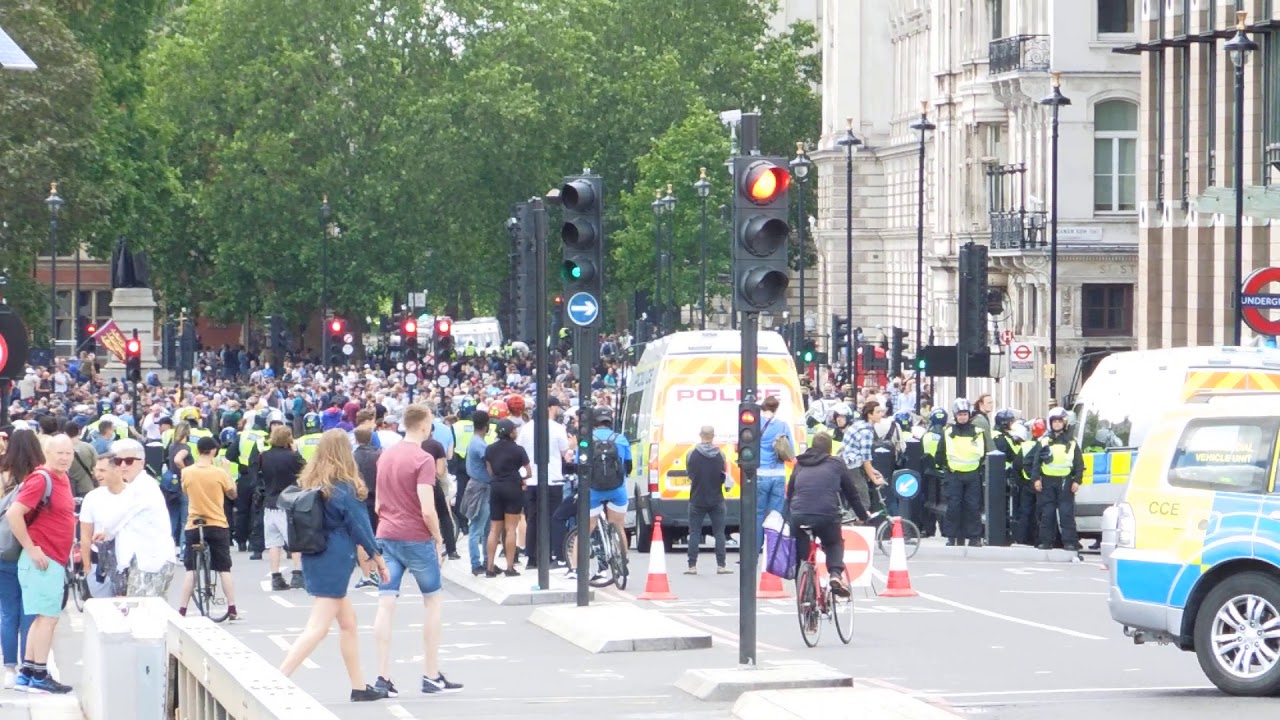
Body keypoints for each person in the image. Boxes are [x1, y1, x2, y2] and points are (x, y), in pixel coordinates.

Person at [277, 430, 391, 702]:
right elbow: (360, 527)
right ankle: (277, 679)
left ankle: (359, 687)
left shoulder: (311, 483)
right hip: (336, 557)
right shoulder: (345, 486)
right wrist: (378, 558)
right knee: (317, 627)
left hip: (314, 553)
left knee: (349, 624)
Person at [372, 404, 461, 697]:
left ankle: (383, 676)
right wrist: (438, 539)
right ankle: (431, 673)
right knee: (432, 601)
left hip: (386, 534)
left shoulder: (386, 455)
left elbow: (377, 504)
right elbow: (427, 509)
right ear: (423, 425)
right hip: (416, 536)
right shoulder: (423, 459)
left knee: (386, 603)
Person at [7, 433, 76, 693]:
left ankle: (28, 672)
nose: (64, 457)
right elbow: (15, 513)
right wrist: (31, 547)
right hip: (43, 558)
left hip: (51, 557)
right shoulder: (42, 479)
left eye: (68, 453)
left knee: (41, 618)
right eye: (59, 452)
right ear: (47, 452)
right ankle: (39, 675)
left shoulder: (62, 478)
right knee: (48, 618)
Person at [786, 433, 871, 598]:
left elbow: (790, 492)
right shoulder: (836, 463)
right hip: (826, 514)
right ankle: (835, 575)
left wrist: (791, 513)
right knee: (834, 543)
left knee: (801, 555)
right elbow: (852, 493)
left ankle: (803, 594)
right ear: (829, 450)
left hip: (799, 515)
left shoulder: (800, 464)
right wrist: (862, 515)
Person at [175, 437, 239, 620]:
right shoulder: (219, 473)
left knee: (191, 570)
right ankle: (232, 608)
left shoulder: (187, 472)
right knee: (224, 568)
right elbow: (233, 494)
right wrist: (228, 474)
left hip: (194, 524)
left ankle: (183, 609)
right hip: (217, 523)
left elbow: (186, 491)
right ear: (213, 451)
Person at [106, 439, 179, 597]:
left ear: (142, 462)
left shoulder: (142, 487)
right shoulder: (134, 486)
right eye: (118, 461)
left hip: (151, 561)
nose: (123, 466)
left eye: (129, 461)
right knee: (148, 614)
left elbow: (115, 520)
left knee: (141, 613)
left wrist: (102, 532)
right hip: (145, 560)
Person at [0, 431, 40, 689]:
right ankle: (27, 665)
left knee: (7, 611)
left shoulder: (5, 474)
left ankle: (9, 667)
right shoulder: (40, 477)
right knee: (30, 612)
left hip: (4, 550)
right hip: (30, 550)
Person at [516, 398, 569, 569]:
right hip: (553, 478)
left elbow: (520, 451)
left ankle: (531, 557)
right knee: (554, 518)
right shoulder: (557, 428)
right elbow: (565, 452)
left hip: (532, 480)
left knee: (533, 518)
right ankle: (554, 554)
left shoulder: (525, 429)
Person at [933, 399, 986, 547]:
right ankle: (951, 536)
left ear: (969, 415)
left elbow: (983, 453)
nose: (962, 417)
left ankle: (974, 537)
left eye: (965, 414)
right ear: (955, 415)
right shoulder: (948, 432)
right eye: (960, 414)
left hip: (972, 475)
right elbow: (940, 452)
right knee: (953, 506)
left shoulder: (977, 432)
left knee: (973, 507)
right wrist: (946, 468)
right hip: (954, 474)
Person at [1030, 407, 1083, 551]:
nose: (1057, 424)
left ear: (1064, 423)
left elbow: (1079, 463)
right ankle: (1046, 542)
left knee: (1066, 513)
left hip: (1065, 481)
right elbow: (1036, 462)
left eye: (1060, 421)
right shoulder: (1044, 441)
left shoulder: (1072, 442)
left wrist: (1077, 480)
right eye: (1055, 422)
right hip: (1047, 481)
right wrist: (1036, 479)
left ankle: (1070, 542)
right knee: (1047, 513)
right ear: (1050, 423)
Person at [260, 426, 306, 590]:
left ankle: (276, 576)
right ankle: (297, 574)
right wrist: (296, 452)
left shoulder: (264, 456)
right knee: (294, 540)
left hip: (269, 503)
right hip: (288, 503)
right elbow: (306, 470)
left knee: (274, 543)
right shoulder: (292, 457)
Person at [483, 418, 529, 578]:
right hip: (513, 487)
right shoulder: (518, 450)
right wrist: (521, 478)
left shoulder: (490, 449)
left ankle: (489, 567)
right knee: (511, 529)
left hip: (496, 487)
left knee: (494, 528)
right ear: (511, 433)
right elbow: (528, 471)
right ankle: (510, 567)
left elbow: (490, 471)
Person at [683, 425, 732, 575]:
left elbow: (690, 474)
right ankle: (721, 566)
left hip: (697, 498)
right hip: (717, 499)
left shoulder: (691, 454)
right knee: (719, 533)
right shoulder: (720, 455)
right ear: (713, 436)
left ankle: (692, 566)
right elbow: (723, 474)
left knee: (695, 532)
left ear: (700, 435)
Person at [587, 407, 631, 566]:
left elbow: (580, 464)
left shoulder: (587, 439)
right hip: (617, 489)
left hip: (593, 490)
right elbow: (628, 465)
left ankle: (575, 569)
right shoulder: (621, 439)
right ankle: (623, 562)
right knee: (619, 526)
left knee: (587, 529)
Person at [756, 395, 792, 550]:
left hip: (759, 474)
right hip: (778, 474)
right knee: (776, 514)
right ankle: (773, 549)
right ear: (776, 409)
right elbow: (791, 452)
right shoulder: (783, 426)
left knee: (758, 514)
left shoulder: (755, 425)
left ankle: (755, 549)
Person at [459, 411, 492, 576]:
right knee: (477, 527)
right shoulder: (480, 445)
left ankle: (487, 561)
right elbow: (489, 464)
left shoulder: (474, 441)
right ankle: (476, 563)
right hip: (481, 487)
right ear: (486, 426)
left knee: (486, 528)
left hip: (478, 485)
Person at [351, 425, 382, 589]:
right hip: (377, 498)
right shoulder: (379, 455)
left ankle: (366, 574)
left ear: (356, 439)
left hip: (360, 499)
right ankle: (377, 570)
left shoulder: (353, 458)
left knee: (362, 539)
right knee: (377, 536)